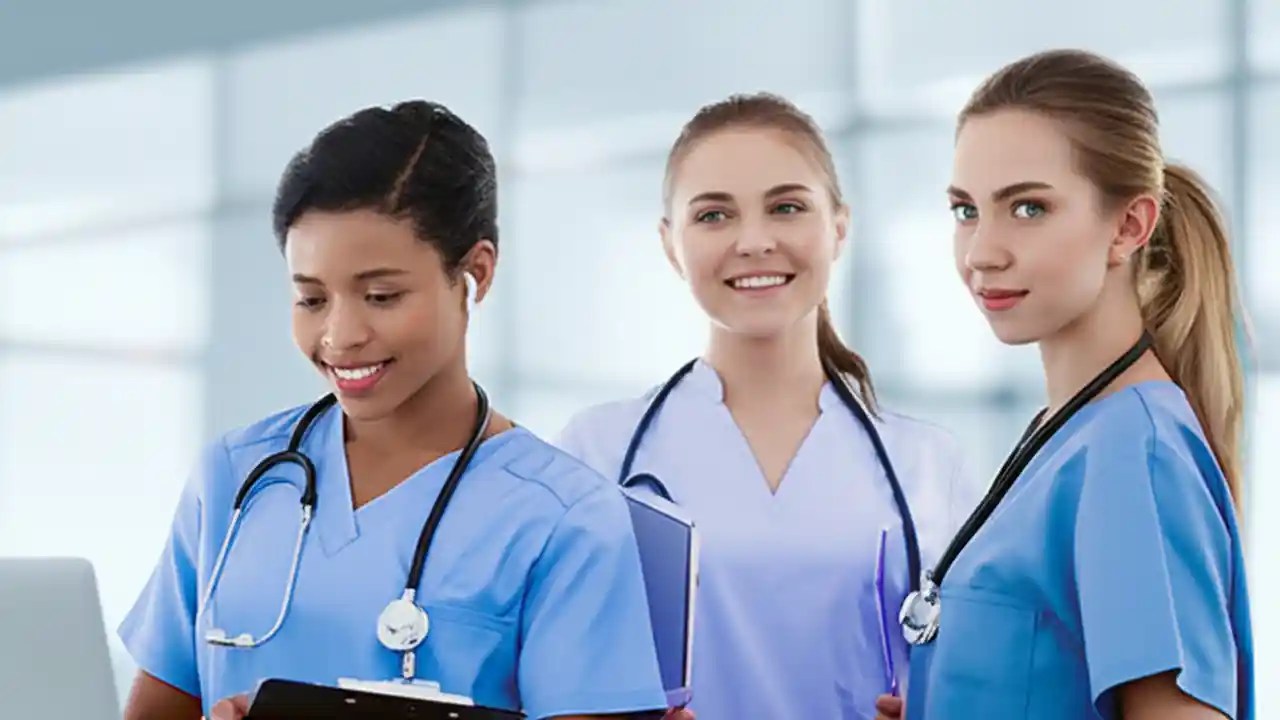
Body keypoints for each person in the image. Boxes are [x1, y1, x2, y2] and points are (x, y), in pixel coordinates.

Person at [117, 100, 668, 720]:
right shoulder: (235, 476)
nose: (340, 335)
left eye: (381, 296)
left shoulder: (564, 519)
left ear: (476, 273)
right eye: (311, 299)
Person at [555, 93, 977, 720]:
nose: (753, 241)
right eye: (714, 215)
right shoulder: (597, 452)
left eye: (786, 207)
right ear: (670, 245)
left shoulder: (929, 463)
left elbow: (979, 681)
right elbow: (555, 682)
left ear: (839, 227)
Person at [875, 49, 1255, 720]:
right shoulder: (1070, 434)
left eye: (1028, 208)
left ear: (1129, 226)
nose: (982, 253)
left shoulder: (1131, 454)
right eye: (965, 210)